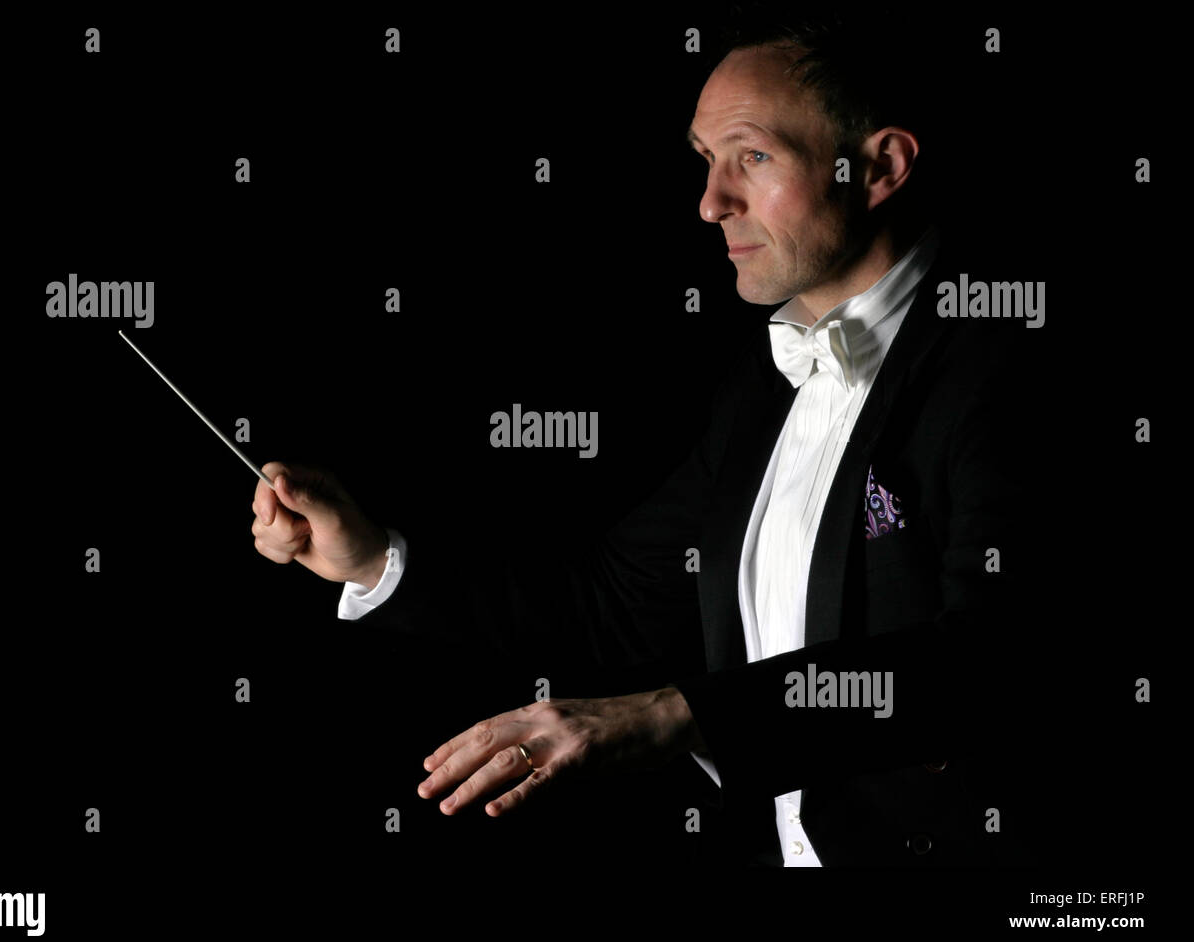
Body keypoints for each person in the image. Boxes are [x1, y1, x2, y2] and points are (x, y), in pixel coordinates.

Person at [249, 10, 1060, 867]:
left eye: (752, 156)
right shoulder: (766, 383)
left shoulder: (1007, 357)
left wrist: (677, 716)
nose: (711, 202)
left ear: (880, 166)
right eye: (706, 161)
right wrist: (374, 558)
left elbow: (990, 670)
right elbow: (614, 603)